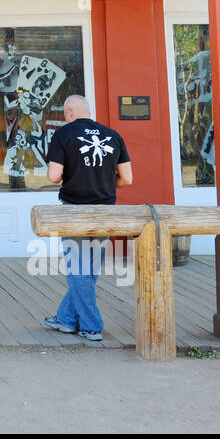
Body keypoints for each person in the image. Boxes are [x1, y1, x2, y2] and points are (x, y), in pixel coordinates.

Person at [43, 95, 132, 342]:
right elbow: (127, 179)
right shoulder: (113, 136)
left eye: (64, 113)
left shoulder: (63, 135)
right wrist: (102, 183)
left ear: (69, 111)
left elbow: (53, 176)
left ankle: (92, 326)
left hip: (75, 210)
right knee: (89, 270)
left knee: (78, 271)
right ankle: (66, 318)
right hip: (105, 211)